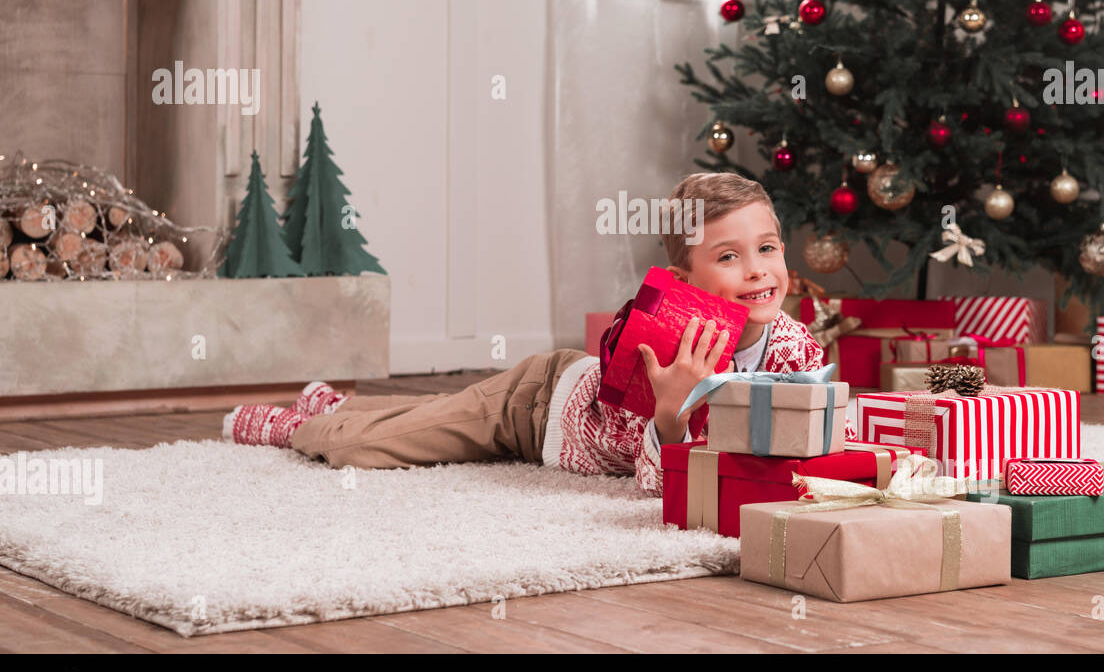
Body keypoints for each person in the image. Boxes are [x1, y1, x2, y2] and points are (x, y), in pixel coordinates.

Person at [223, 172, 826, 495]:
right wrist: (669, 415)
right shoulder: (665, 340)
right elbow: (655, 489)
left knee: (432, 414)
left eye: (767, 248)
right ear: (682, 278)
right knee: (370, 449)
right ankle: (296, 425)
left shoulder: (797, 349)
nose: (757, 271)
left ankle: (334, 402)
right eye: (729, 257)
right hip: (535, 408)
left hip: (551, 419)